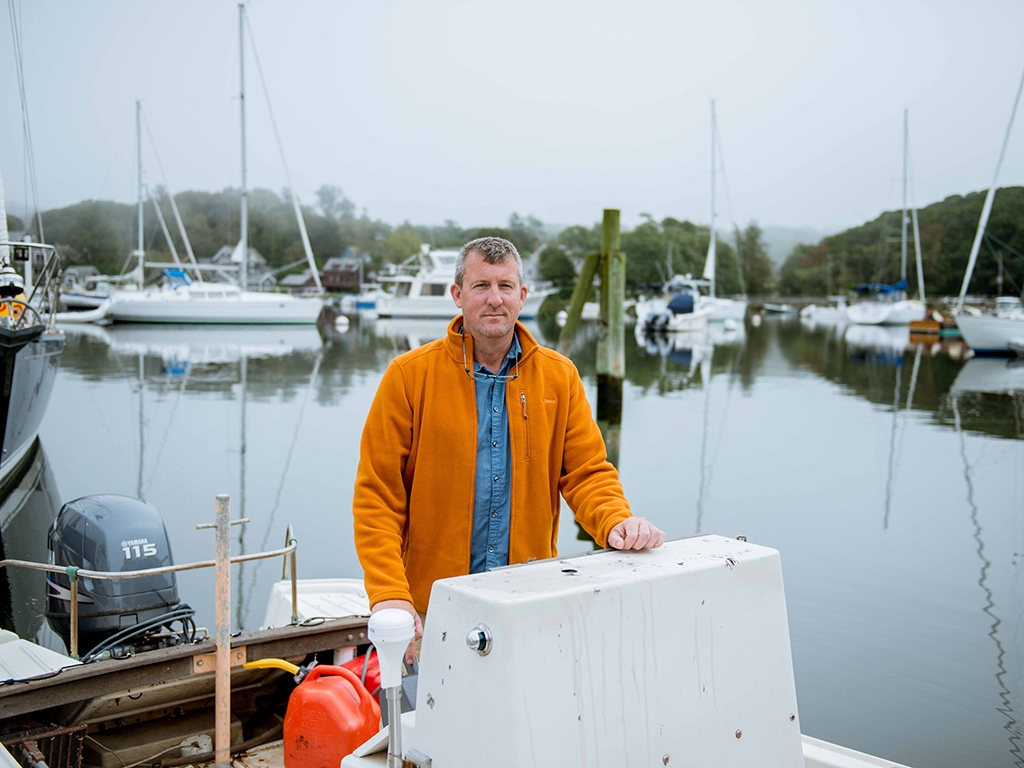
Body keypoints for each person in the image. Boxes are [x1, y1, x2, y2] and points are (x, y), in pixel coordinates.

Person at [353, 236, 665, 660]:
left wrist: (616, 522)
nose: (494, 299)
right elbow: (377, 497)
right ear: (457, 296)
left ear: (522, 296)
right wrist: (390, 594)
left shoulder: (561, 377)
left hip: (530, 601)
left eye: (505, 287)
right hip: (432, 609)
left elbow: (586, 473)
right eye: (481, 286)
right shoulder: (408, 377)